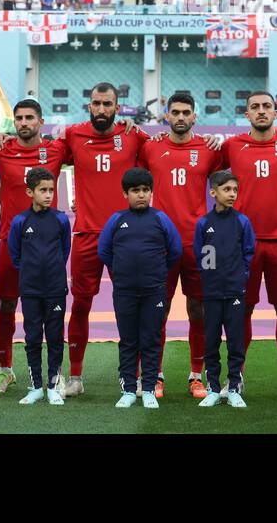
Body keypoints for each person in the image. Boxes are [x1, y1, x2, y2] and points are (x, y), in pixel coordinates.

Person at [54, 82, 149, 397]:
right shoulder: (73, 135)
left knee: (131, 308)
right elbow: (43, 154)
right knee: (81, 304)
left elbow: (166, 149)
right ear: (89, 105)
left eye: (108, 104)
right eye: (96, 103)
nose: (102, 109)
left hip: (127, 237)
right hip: (86, 236)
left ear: (117, 108)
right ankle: (76, 378)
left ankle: (133, 378)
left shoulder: (133, 135)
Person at [221, 91, 277, 399]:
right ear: (246, 114)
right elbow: (211, 175)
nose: (261, 111)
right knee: (240, 310)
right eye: (255, 107)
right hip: (241, 243)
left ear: (276, 112)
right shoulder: (231, 146)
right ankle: (236, 376)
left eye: (267, 107)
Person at [139, 91, 223, 398]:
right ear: (165, 116)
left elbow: (226, 185)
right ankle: (155, 375)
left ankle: (196, 376)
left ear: (195, 116)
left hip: (202, 244)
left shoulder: (210, 149)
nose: (180, 118)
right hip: (159, 243)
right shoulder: (150, 147)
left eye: (186, 112)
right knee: (156, 310)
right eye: (175, 112)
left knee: (200, 309)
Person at [0, 98, 67, 395]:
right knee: (7, 303)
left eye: (29, 117)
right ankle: (6, 371)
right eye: (18, 118)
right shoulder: (0, 148)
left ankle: (55, 373)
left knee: (51, 309)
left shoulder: (57, 150)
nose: (23, 123)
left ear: (40, 121)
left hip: (48, 246)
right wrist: (0, 196)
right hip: (11, 240)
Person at [98, 167, 181, 409]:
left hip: (154, 290)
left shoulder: (160, 219)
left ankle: (148, 389)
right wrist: (122, 271)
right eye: (136, 191)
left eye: (146, 190)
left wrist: (156, 271)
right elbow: (104, 251)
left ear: (151, 193)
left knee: (151, 339)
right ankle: (128, 389)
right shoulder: (116, 220)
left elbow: (174, 251)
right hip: (124, 290)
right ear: (125, 194)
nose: (141, 195)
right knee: (128, 340)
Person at [7, 167, 71, 406]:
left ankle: (53, 386)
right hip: (31, 290)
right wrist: (31, 273)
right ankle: (35, 387)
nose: (48, 195)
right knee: (33, 338)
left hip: (55, 289)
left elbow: (64, 251)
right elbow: (15, 254)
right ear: (30, 192)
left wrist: (53, 271)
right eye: (42, 190)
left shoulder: (61, 219)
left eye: (51, 190)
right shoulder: (20, 221)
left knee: (55, 338)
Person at [195, 170, 255, 409]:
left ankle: (232, 388)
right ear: (213, 192)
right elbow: (202, 254)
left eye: (235, 190)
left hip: (235, 292)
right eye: (226, 190)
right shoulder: (204, 223)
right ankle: (212, 387)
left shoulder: (242, 221)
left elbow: (248, 252)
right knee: (211, 341)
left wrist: (241, 276)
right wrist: (210, 279)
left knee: (235, 341)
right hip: (211, 293)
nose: (232, 194)